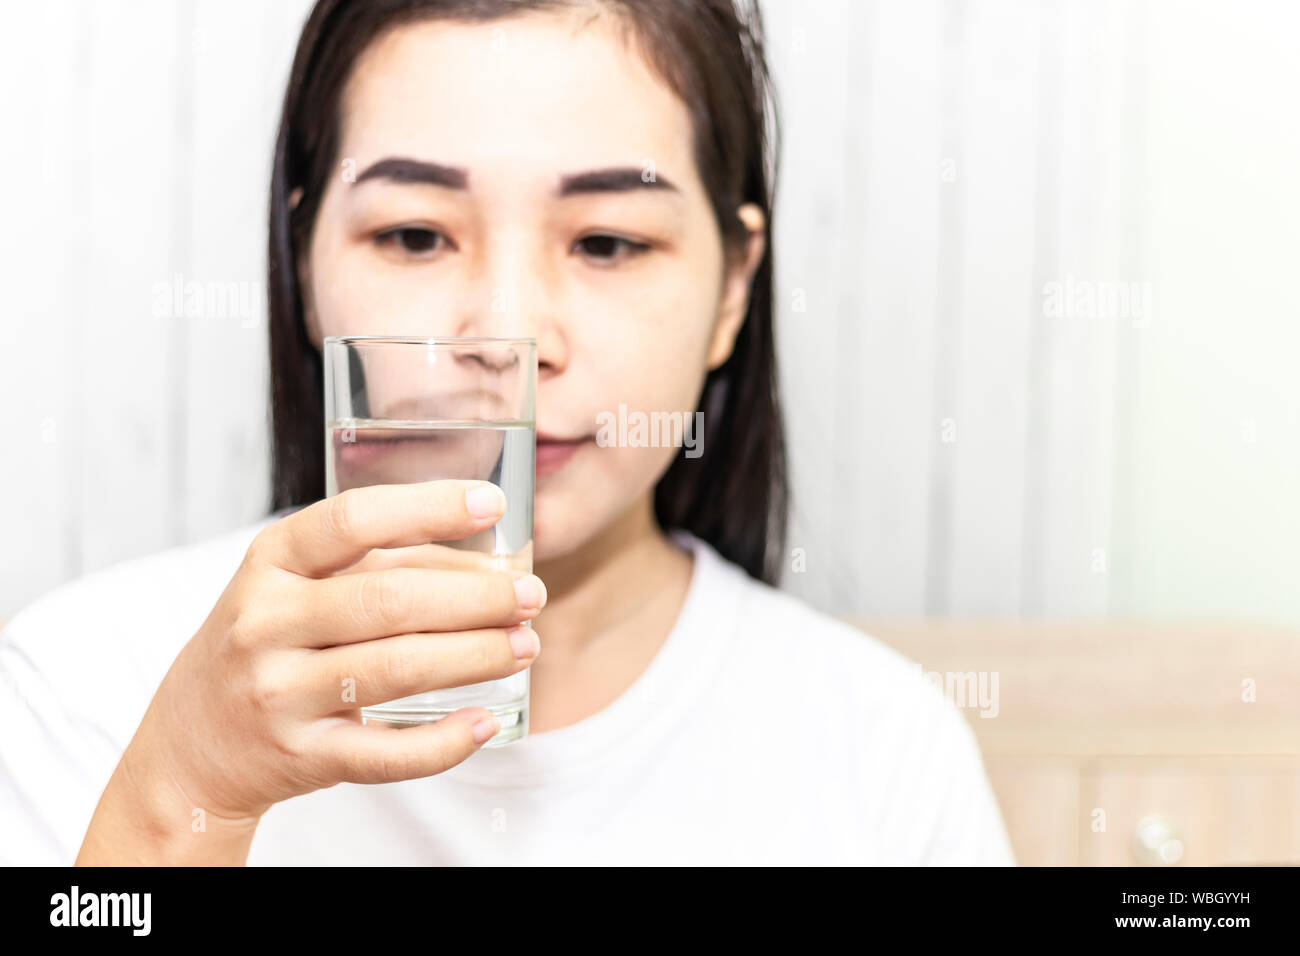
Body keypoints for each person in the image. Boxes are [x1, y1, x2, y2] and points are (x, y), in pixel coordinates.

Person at [0, 0, 1014, 865]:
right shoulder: (87, 682)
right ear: (304, 265)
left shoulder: (882, 748)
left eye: (608, 241)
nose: (505, 335)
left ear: (732, 290)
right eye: (413, 234)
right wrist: (189, 789)